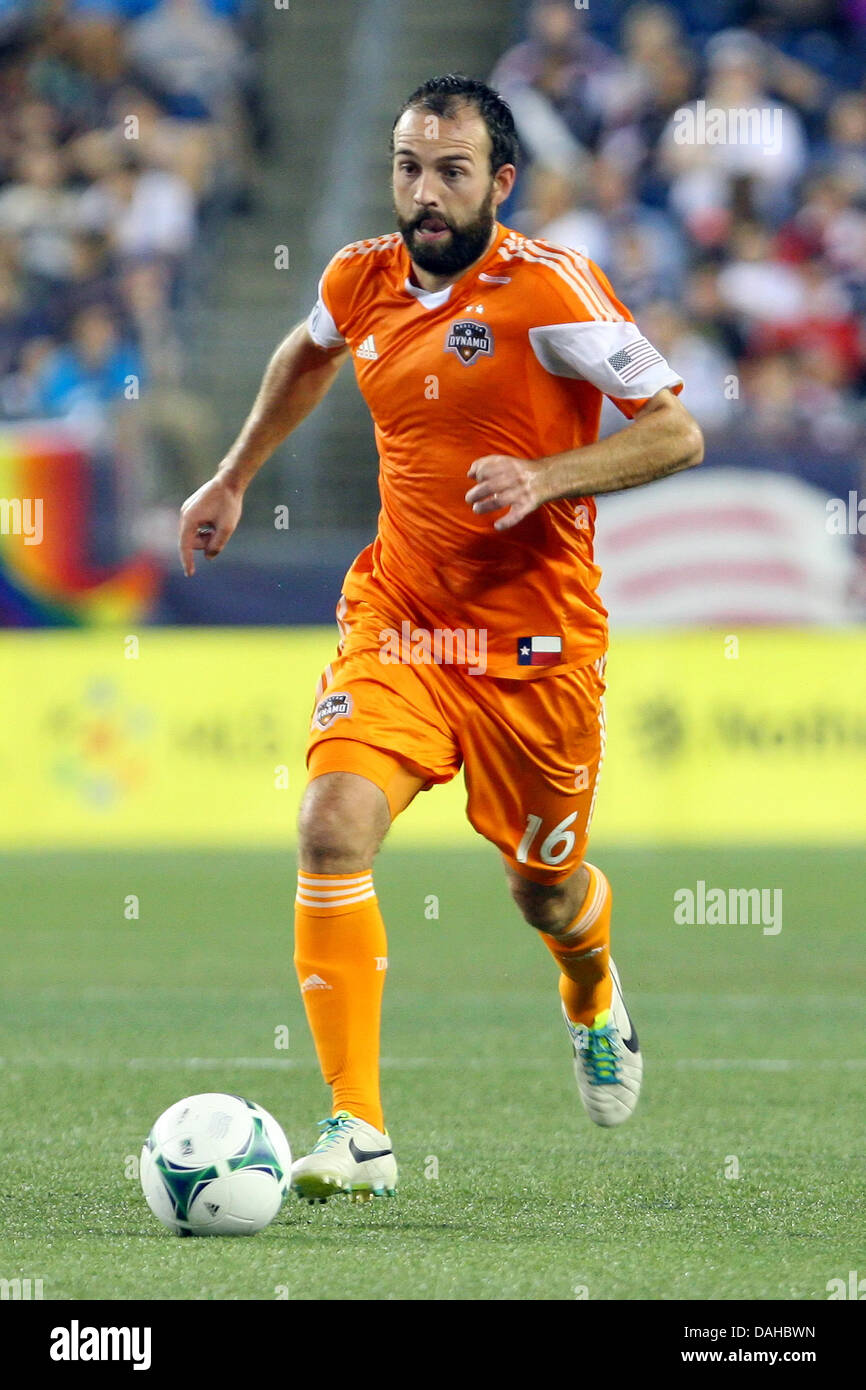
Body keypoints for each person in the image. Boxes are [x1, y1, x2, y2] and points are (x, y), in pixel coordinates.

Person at [178, 75, 704, 1204]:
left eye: (451, 170)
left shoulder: (550, 288)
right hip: (401, 625)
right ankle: (357, 1128)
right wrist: (230, 477)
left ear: (498, 182)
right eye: (409, 165)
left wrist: (548, 475)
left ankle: (590, 989)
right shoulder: (357, 277)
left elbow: (675, 430)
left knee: (544, 893)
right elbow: (306, 357)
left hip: (533, 654)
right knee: (330, 826)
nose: (424, 190)